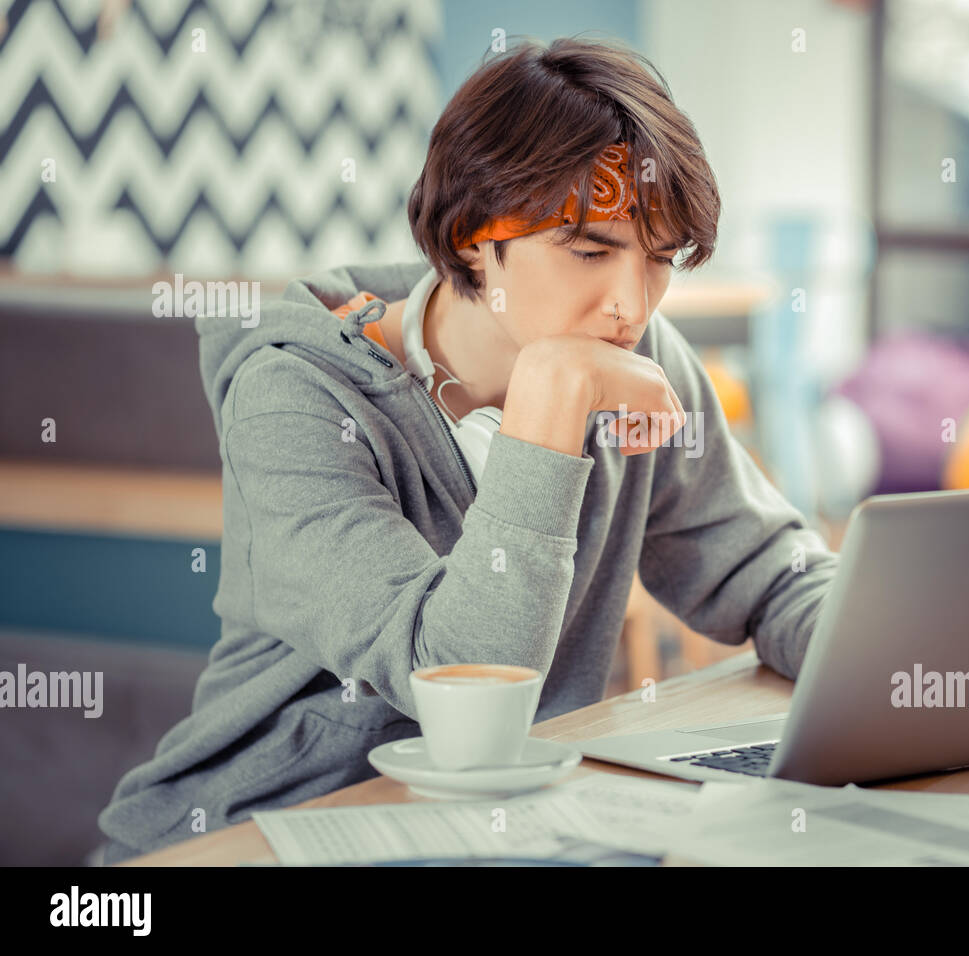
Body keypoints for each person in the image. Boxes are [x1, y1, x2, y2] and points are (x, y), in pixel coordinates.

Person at [98, 35, 838, 864]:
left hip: (500, 829)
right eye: (590, 251)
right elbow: (464, 687)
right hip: (260, 834)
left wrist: (893, 659)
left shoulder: (637, 353)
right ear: (476, 241)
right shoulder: (296, 398)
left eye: (659, 260)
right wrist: (550, 404)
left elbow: (767, 573)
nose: (631, 304)